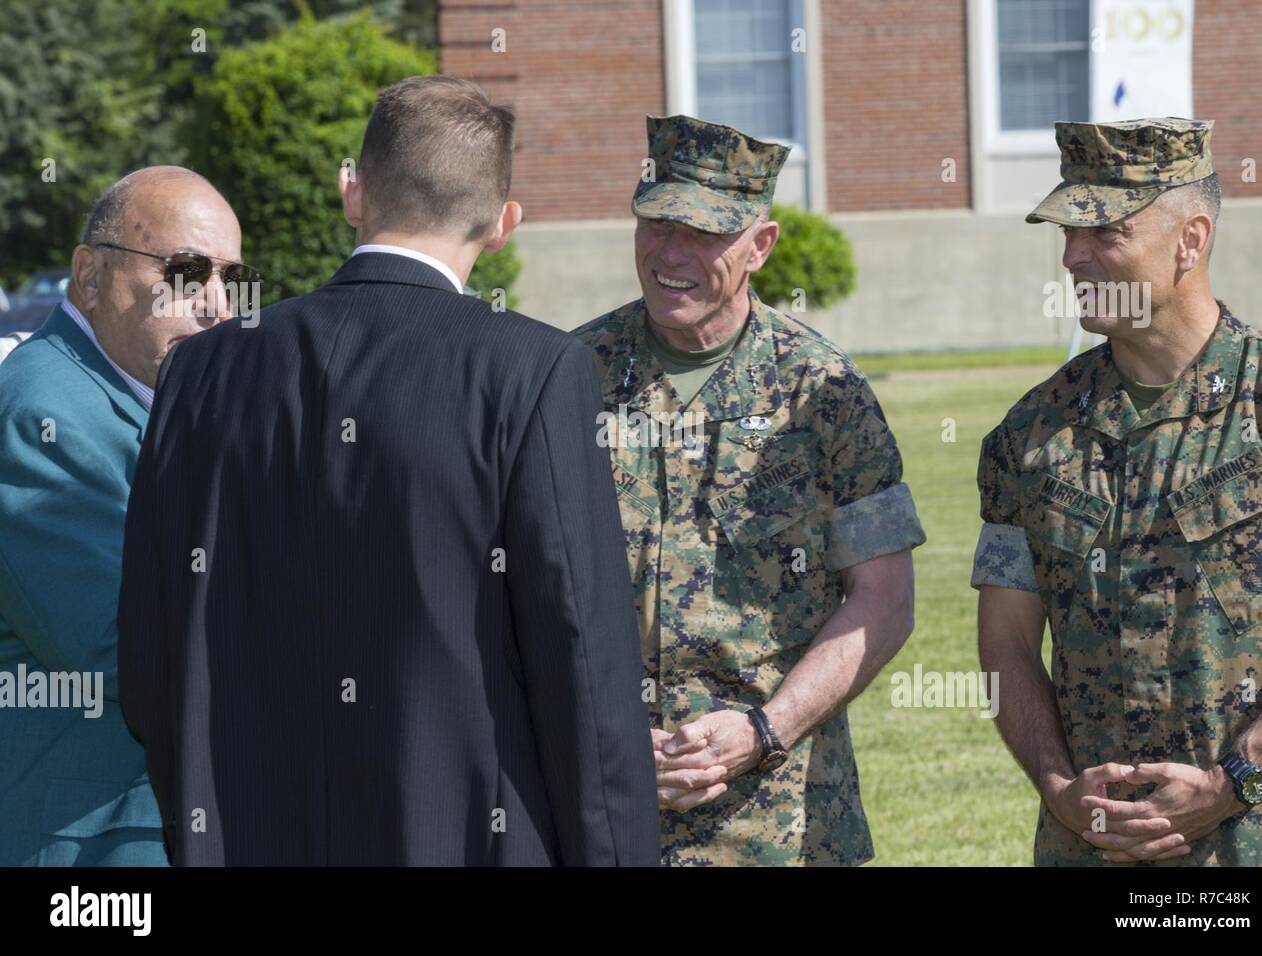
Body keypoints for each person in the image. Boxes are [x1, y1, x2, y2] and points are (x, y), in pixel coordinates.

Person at [117, 75, 660, 865]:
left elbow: (152, 649)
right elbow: (580, 656)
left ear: (351, 191)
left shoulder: (202, 371)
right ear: (505, 224)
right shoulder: (533, 369)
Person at [574, 115, 925, 865]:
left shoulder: (824, 391)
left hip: (780, 823)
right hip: (602, 807)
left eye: (703, 234)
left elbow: (884, 599)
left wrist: (765, 730)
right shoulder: (569, 377)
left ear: (760, 246)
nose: (671, 253)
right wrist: (602, 732)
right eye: (658, 222)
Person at [974, 118, 1262, 865]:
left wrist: (1233, 782)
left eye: (1105, 232)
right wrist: (1060, 788)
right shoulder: (1029, 435)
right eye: (1068, 233)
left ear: (1190, 240)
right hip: (1089, 846)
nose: (1073, 256)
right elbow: (1007, 642)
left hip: (1261, 842)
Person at [0, 165, 247, 865]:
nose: (217, 305)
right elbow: (117, 644)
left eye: (229, 275)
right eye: (187, 271)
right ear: (88, 276)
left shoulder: (135, 399)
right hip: (91, 847)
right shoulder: (42, 413)